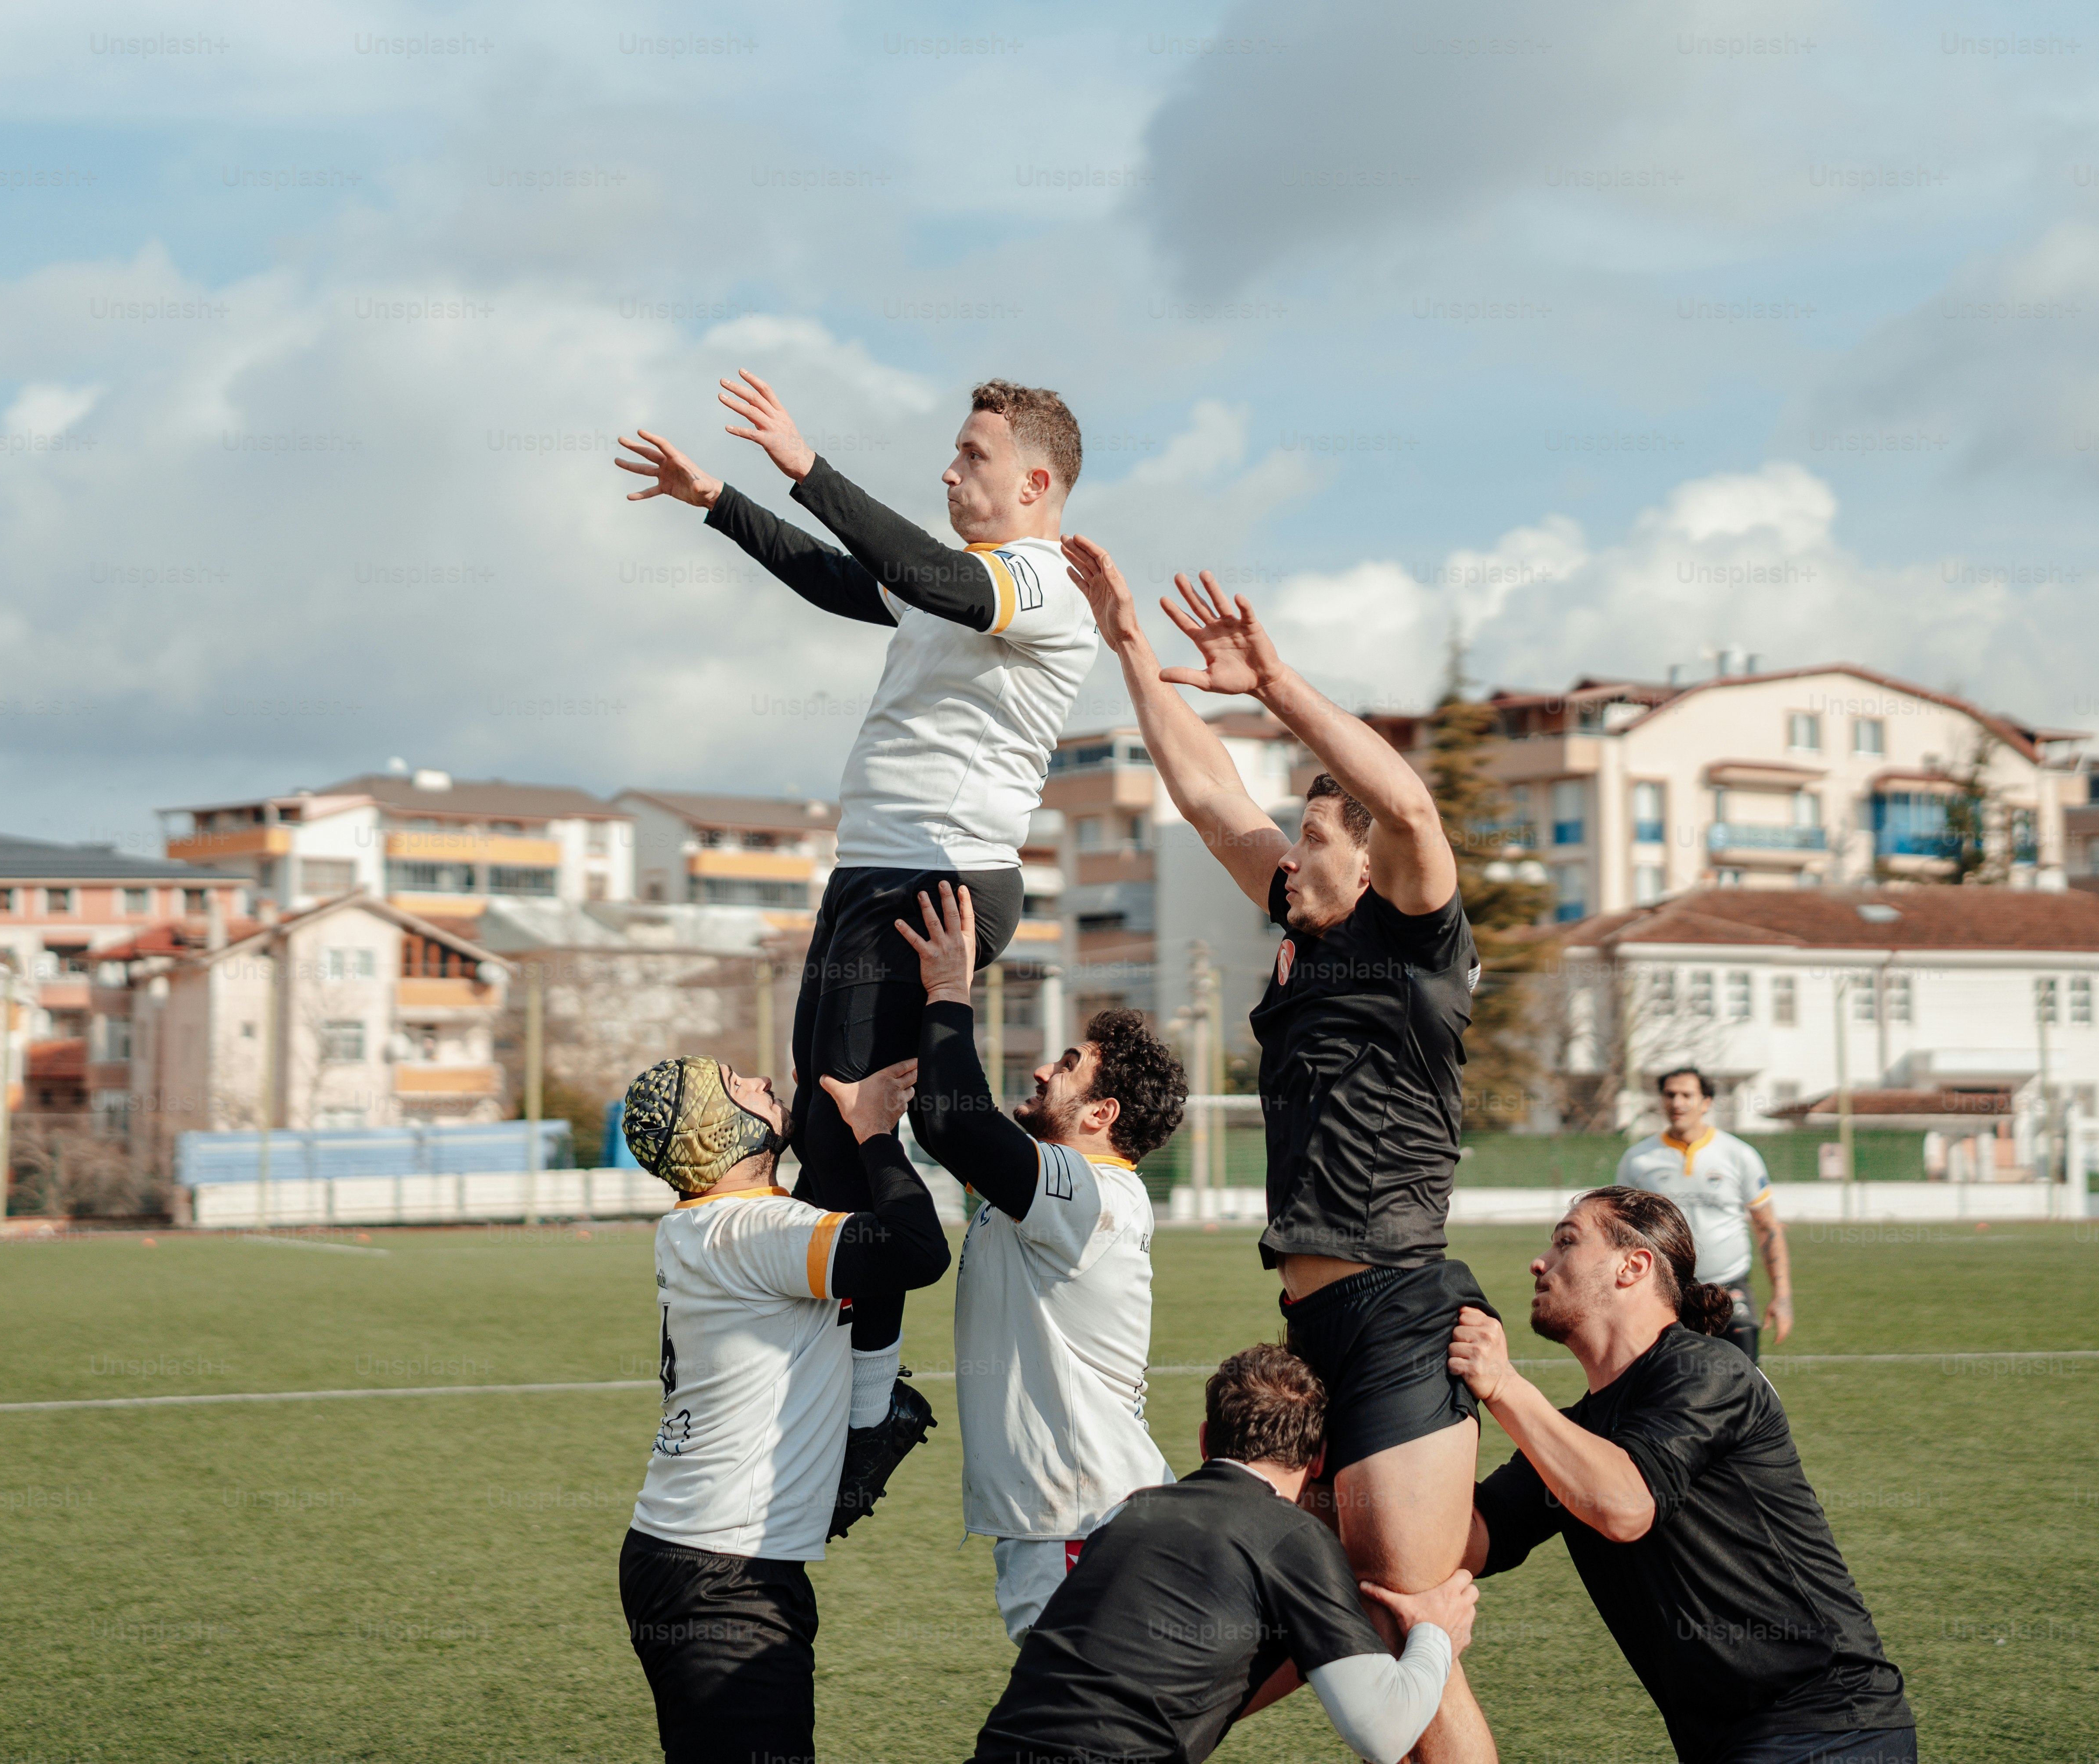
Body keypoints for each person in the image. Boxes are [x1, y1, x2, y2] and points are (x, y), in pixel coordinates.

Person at [615, 375, 1100, 1502]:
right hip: (876, 871)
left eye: (970, 455)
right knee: (827, 1137)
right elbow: (849, 581)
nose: (948, 470)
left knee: (845, 1130)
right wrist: (714, 499)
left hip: (928, 875)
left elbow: (919, 571)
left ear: (1033, 482)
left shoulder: (1035, 580)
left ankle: (866, 1417)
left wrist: (803, 462)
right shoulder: (966, 588)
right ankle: (860, 1403)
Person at [1064, 543, 1495, 1763]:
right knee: (1348, 1607)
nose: (1288, 858)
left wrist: (1273, 683)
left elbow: (1408, 805)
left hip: (1403, 1307)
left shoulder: (1411, 948)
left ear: (1364, 865)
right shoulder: (1300, 925)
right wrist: (1132, 653)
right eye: (1295, 841)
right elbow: (1207, 798)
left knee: (1402, 1612)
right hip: (1316, 1321)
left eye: (1311, 842)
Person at [1447, 1187, 1915, 1764]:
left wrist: (1503, 1386)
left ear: (1633, 1265)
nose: (1539, 1261)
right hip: (1729, 1746)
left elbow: (1622, 1504)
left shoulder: (1708, 1369)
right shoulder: (1577, 1435)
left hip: (1827, 1728)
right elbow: (1462, 1539)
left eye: (1566, 1241)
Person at [614, 1054, 950, 1764]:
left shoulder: (707, 1224)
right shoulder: (755, 1233)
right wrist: (875, 1133)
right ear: (715, 1129)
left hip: (702, 1560)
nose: (763, 1082)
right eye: (739, 1085)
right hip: (722, 1576)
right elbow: (915, 1250)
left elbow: (840, 1216)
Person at [892, 880, 1186, 1641]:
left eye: (1066, 1064)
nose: (1041, 1072)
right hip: (1076, 1518)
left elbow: (951, 1122)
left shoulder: (1090, 1193)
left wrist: (952, 988)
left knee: (1076, 1729)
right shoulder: (1053, 1190)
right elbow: (947, 1123)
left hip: (1082, 1522)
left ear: (1100, 1115)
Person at [967, 1343, 1478, 1764]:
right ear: (1319, 1458)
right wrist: (1437, 1632)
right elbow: (1384, 1735)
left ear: (1206, 1440)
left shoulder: (1128, 1511)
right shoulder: (1293, 1536)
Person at [1616, 1066, 1794, 1362]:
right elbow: (1620, 1231)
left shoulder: (1739, 1155)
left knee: (1742, 1377)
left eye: (1687, 1095)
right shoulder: (1638, 1159)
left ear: (1706, 1103)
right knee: (1671, 1382)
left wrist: (1782, 1296)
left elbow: (1767, 1228)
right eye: (1670, 1095)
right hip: (1664, 1289)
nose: (1677, 1103)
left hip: (1729, 1285)